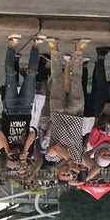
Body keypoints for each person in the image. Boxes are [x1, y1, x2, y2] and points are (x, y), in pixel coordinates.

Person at [41, 38, 90, 183]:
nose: (67, 173)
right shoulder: (78, 159)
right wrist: (82, 178)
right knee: (77, 79)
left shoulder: (51, 157)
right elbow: (94, 167)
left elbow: (56, 147)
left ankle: (54, 48)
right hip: (76, 114)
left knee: (56, 79)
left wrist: (68, 160)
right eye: (69, 175)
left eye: (63, 174)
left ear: (57, 173)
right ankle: (78, 49)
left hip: (58, 112)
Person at [0, 35, 41, 171]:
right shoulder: (25, 149)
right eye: (15, 159)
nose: (14, 156)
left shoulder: (2, 147)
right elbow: (33, 134)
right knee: (31, 76)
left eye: (10, 159)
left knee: (10, 75)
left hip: (10, 108)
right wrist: (25, 151)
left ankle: (12, 46)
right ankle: (36, 45)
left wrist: (8, 149)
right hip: (26, 109)